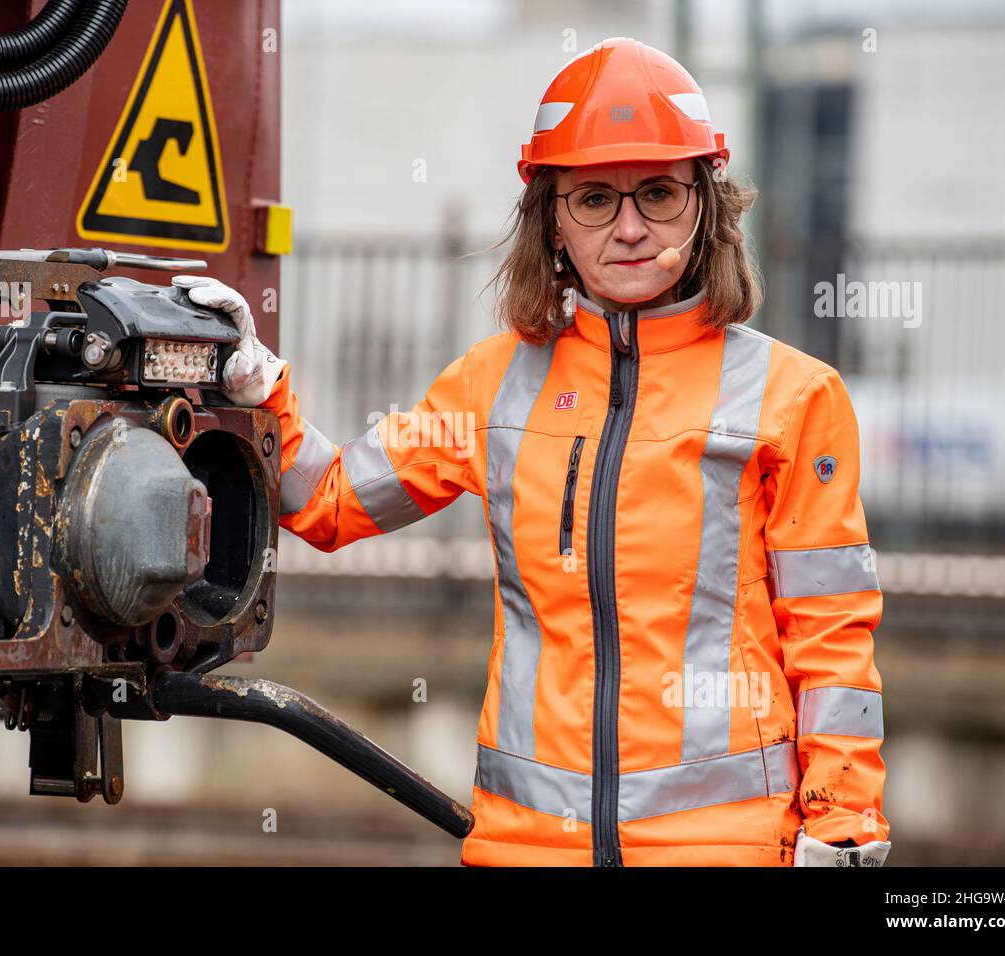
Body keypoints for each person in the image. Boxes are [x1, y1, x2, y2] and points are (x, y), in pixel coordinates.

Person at [176, 37, 891, 867]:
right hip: (527, 850)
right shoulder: (496, 388)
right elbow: (329, 501)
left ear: (707, 205)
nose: (629, 228)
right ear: (551, 216)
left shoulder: (793, 397)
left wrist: (843, 824)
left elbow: (831, 636)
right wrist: (258, 389)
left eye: (658, 193)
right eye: (594, 199)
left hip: (723, 850)